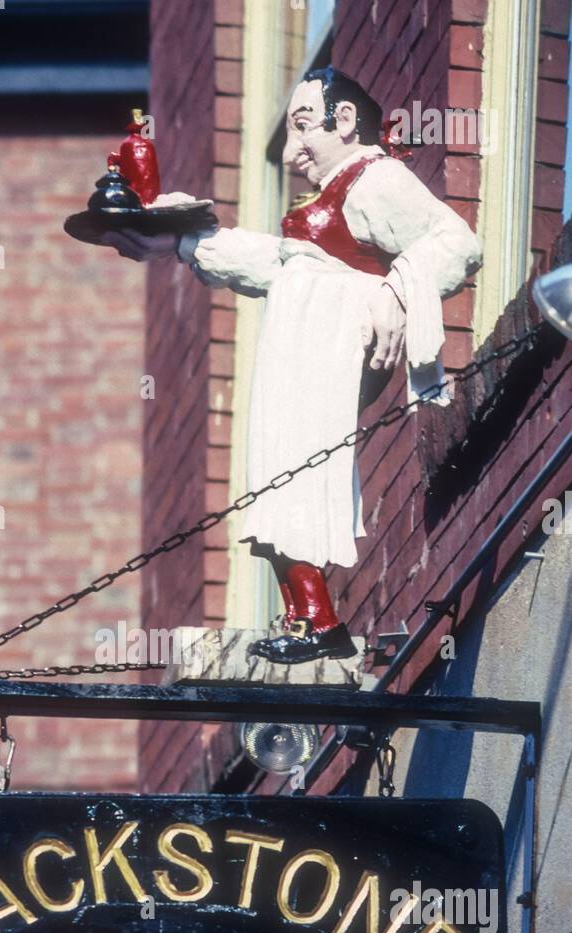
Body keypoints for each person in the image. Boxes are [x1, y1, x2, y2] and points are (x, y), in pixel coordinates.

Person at [101, 67, 483, 663]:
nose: (290, 149)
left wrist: (399, 292)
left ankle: (316, 622)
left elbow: (457, 244)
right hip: (303, 346)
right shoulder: (333, 192)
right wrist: (180, 240)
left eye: (303, 125)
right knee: (277, 475)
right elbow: (278, 265)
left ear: (346, 121)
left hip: (332, 346)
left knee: (294, 470)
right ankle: (311, 617)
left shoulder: (377, 180)